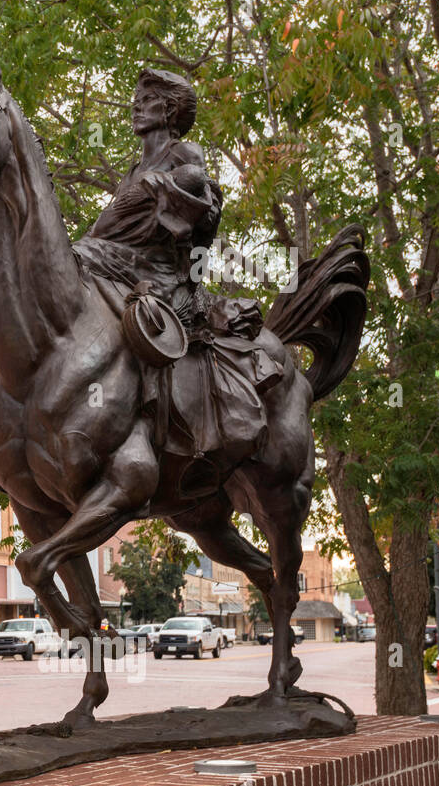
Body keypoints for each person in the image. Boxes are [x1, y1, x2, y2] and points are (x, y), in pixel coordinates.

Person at [74, 69, 284, 496]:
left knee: (129, 314)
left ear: (168, 110)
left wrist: (164, 195)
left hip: (163, 277)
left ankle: (157, 427)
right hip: (122, 265)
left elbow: (195, 216)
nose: (134, 104)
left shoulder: (184, 155)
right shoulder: (135, 169)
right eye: (135, 97)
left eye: (145, 98)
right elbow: (107, 228)